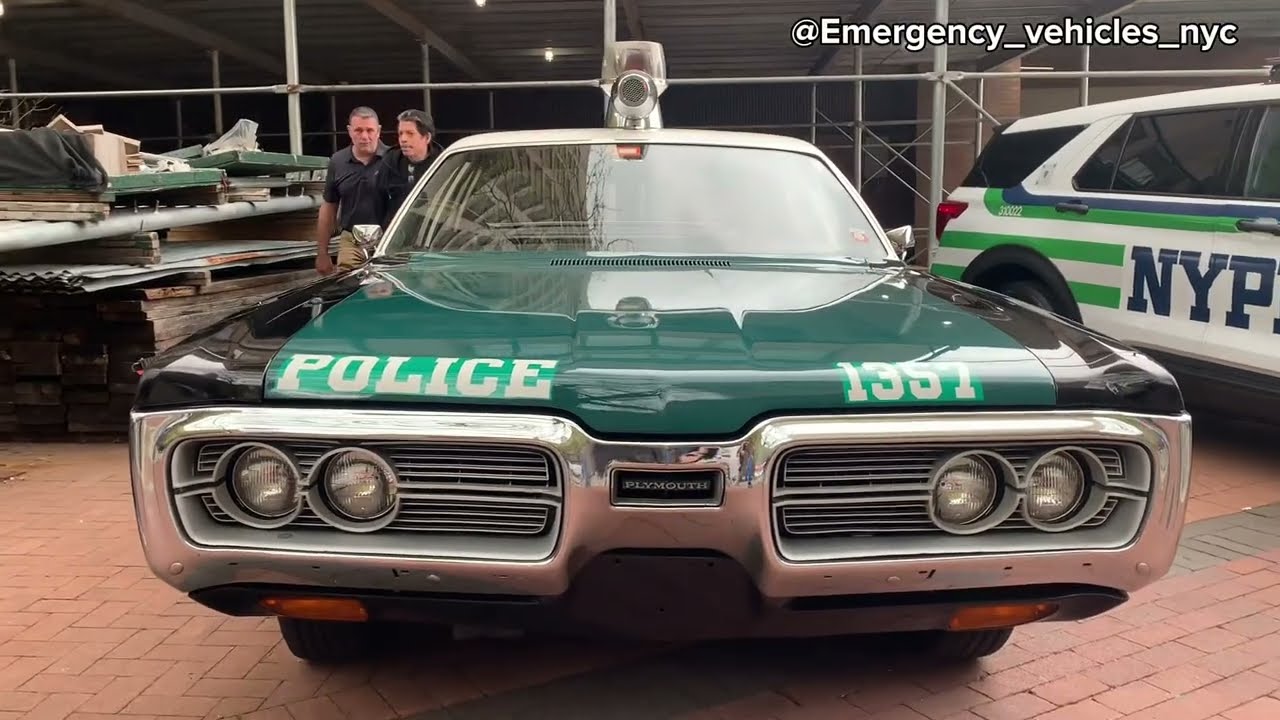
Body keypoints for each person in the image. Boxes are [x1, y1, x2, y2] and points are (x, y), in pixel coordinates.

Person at [314, 106, 389, 275]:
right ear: (349, 131)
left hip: (387, 239)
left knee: (386, 285)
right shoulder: (337, 161)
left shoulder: (394, 160)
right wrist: (322, 253)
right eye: (358, 130)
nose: (364, 136)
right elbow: (328, 208)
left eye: (370, 130)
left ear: (378, 131)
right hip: (351, 241)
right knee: (346, 284)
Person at [376, 109, 439, 227]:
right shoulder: (390, 162)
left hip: (433, 232)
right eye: (400, 133)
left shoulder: (443, 163)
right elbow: (379, 203)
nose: (403, 139)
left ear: (427, 137)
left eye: (410, 133)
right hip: (396, 232)